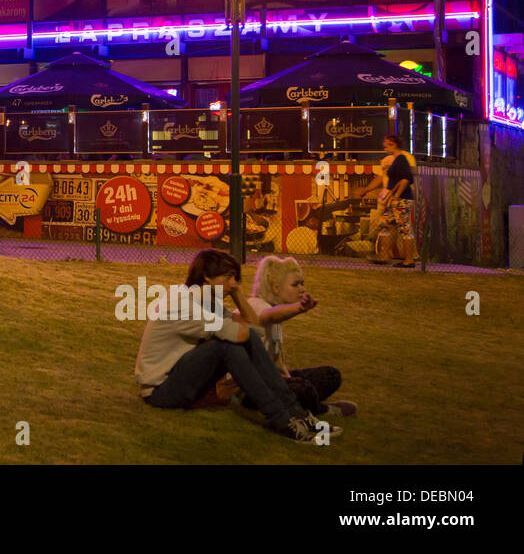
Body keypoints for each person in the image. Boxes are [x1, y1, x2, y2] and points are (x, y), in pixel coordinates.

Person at [134, 249, 328, 443]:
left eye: (235, 278)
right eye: (228, 277)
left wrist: (236, 294)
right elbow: (244, 332)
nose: (234, 283)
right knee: (227, 345)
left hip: (181, 378)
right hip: (160, 391)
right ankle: (281, 418)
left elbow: (254, 328)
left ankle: (295, 412)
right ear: (207, 277)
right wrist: (241, 325)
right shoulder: (182, 305)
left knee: (235, 340)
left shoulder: (205, 300)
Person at [239, 256, 357, 420]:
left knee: (331, 375)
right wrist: (299, 308)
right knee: (303, 389)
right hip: (249, 389)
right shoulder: (256, 305)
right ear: (275, 287)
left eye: (302, 283)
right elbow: (267, 316)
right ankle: (320, 409)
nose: (302, 289)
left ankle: (303, 402)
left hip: (267, 381)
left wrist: (288, 382)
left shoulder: (276, 313)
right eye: (295, 284)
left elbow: (277, 366)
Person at [361, 135, 417, 267]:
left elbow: (406, 179)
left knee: (404, 228)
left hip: (401, 199)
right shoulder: (394, 159)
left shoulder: (402, 158)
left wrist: (396, 194)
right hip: (391, 199)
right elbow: (390, 179)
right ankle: (383, 255)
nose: (385, 148)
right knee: (385, 224)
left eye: (387, 145)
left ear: (394, 144)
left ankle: (409, 259)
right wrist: (390, 193)